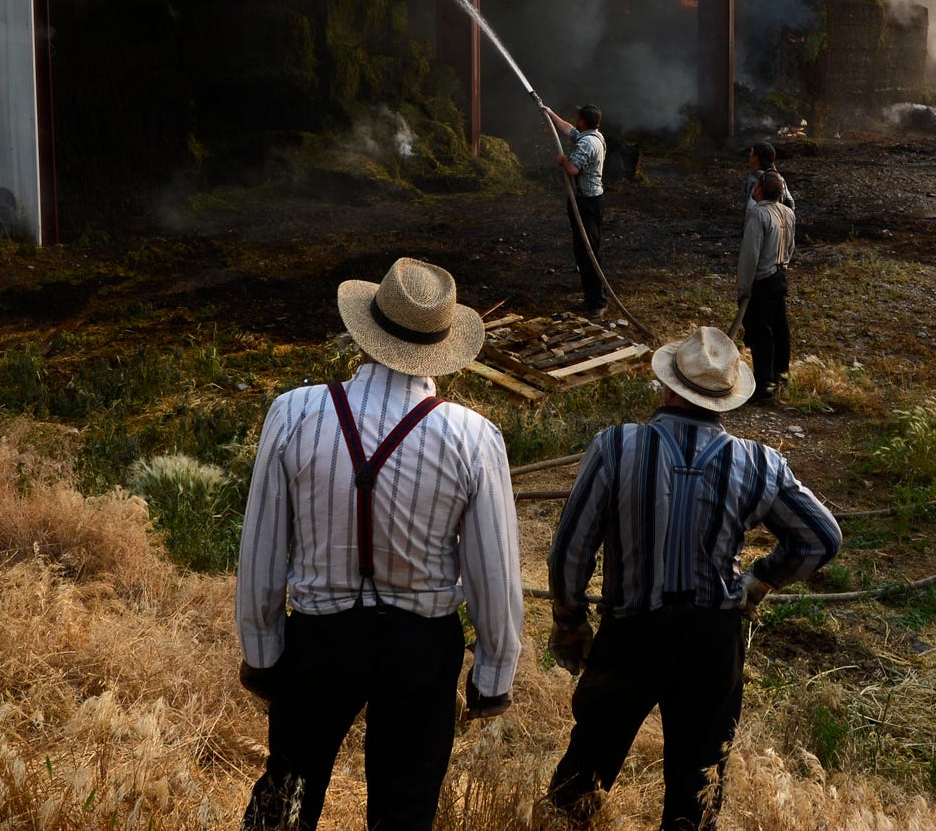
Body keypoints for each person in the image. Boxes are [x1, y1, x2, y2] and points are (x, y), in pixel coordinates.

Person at [235, 257, 524, 831]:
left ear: (365, 333)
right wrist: (493, 676)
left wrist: (263, 653)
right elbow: (496, 570)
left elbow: (261, 548)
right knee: (404, 812)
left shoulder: (293, 413)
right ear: (441, 349)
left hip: (318, 644)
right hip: (420, 652)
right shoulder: (474, 437)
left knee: (286, 804)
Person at [544, 326, 842, 831]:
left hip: (631, 634)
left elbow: (570, 551)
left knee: (583, 778)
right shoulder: (757, 462)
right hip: (711, 639)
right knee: (696, 792)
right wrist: (760, 580)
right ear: (725, 398)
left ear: (667, 385)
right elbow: (821, 536)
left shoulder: (615, 447)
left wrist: (571, 624)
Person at [736, 172, 797, 404]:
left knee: (762, 334)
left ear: (760, 190)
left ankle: (763, 387)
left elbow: (750, 255)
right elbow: (790, 246)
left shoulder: (757, 214)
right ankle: (781, 377)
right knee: (780, 329)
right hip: (779, 277)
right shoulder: (788, 213)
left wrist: (743, 287)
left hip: (761, 281)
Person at [544, 103, 609, 311]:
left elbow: (572, 169)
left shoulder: (588, 143)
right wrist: (549, 112)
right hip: (589, 201)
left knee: (588, 252)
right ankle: (594, 299)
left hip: (587, 204)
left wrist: (563, 160)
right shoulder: (593, 136)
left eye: (578, 118)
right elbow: (568, 129)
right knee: (585, 250)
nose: (576, 121)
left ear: (583, 120)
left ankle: (596, 303)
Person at [741, 142, 795, 211]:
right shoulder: (778, 177)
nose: (749, 154)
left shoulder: (757, 178)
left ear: (757, 157)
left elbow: (751, 207)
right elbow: (791, 204)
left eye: (751, 152)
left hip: (759, 218)